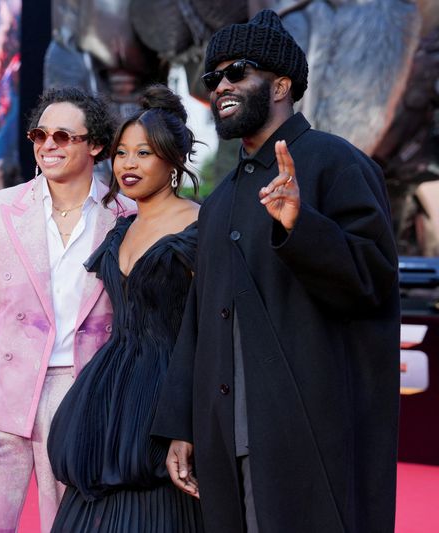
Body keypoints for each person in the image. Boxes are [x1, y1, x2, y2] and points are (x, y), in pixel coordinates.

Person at [151, 10, 400, 533]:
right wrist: (181, 425)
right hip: (226, 435)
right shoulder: (218, 202)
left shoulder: (337, 163)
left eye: (236, 71)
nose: (220, 86)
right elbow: (198, 320)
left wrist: (300, 225)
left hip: (307, 433)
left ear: (282, 84)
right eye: (212, 77)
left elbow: (374, 283)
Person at [0, 86, 132, 533]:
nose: (47, 144)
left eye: (63, 136)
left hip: (86, 395)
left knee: (73, 526)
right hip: (3, 397)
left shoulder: (126, 215)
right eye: (39, 134)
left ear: (95, 145)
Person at [47, 84, 203, 532]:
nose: (128, 164)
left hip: (167, 390)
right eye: (121, 153)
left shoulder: (200, 227)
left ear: (173, 161)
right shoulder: (120, 230)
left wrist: (187, 421)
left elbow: (209, 329)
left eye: (144, 153)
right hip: (108, 391)